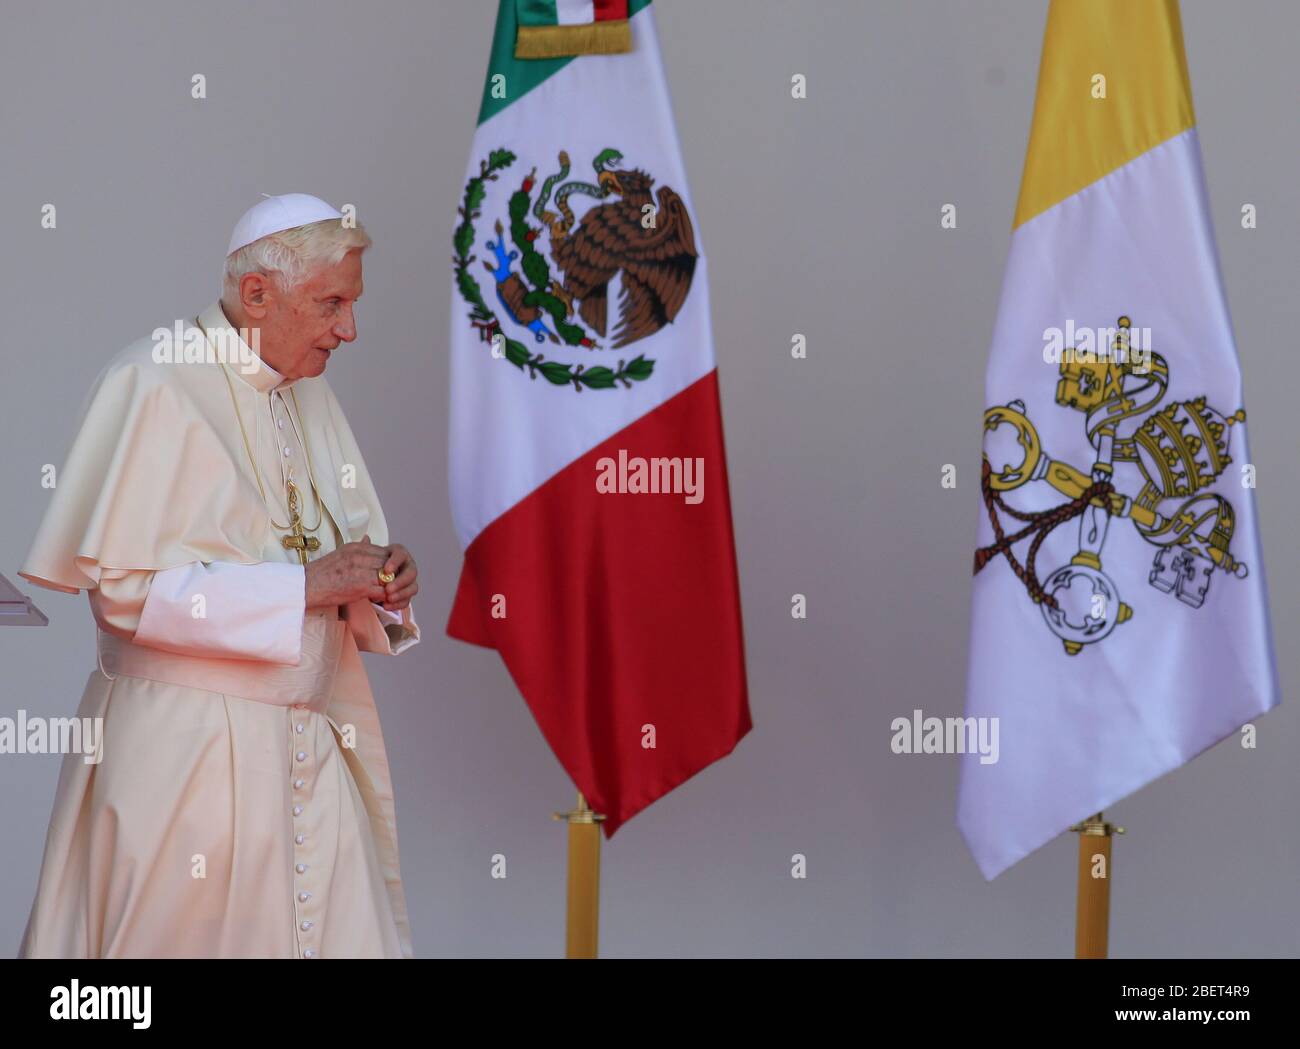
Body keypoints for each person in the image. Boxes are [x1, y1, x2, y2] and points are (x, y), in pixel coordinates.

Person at [17, 193, 419, 958]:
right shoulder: (153, 381)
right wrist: (305, 585)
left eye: (352, 303)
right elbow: (125, 595)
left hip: (308, 745)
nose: (349, 328)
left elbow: (339, 558)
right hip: (186, 754)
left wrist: (381, 579)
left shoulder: (310, 395)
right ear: (258, 292)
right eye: (331, 302)